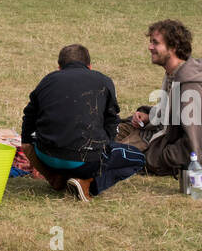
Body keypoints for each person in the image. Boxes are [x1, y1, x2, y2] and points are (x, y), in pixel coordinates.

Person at [20, 43, 145, 201]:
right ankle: (87, 183)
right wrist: (107, 145)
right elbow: (112, 121)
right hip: (85, 161)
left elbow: (29, 115)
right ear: (90, 66)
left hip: (46, 157)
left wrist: (26, 141)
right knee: (138, 158)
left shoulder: (47, 80)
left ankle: (55, 178)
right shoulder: (103, 80)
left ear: (59, 67)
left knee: (32, 144)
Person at [118, 20, 202, 178]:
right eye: (150, 42)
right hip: (152, 136)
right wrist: (150, 116)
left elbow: (197, 146)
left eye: (155, 43)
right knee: (107, 131)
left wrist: (158, 158)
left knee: (107, 156)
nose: (150, 47)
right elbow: (169, 116)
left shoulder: (191, 86)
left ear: (173, 47)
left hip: (157, 150)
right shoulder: (174, 74)